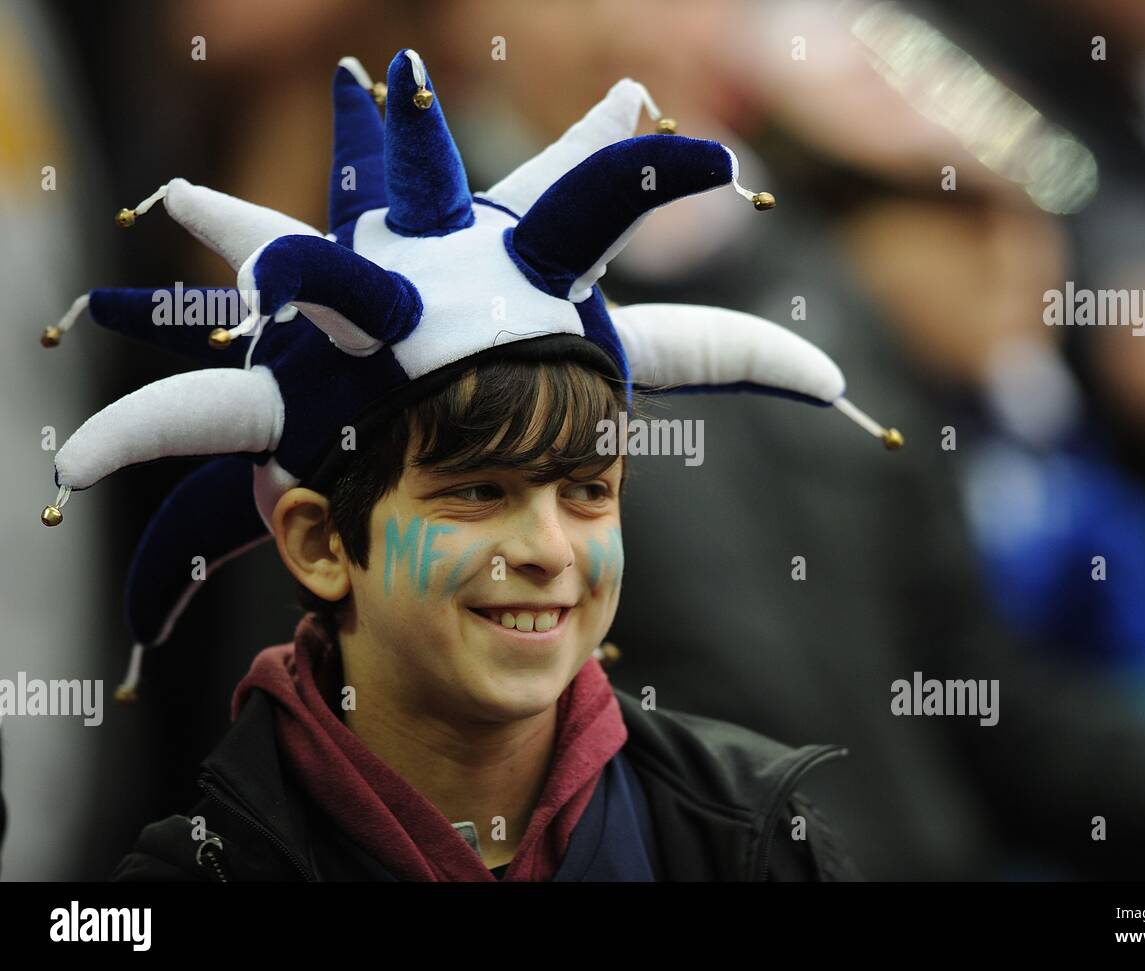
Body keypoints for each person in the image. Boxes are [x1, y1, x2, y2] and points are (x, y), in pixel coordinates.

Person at [37, 48, 891, 881]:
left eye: (588, 490)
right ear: (321, 542)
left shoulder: (751, 838)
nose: (550, 549)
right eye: (480, 491)